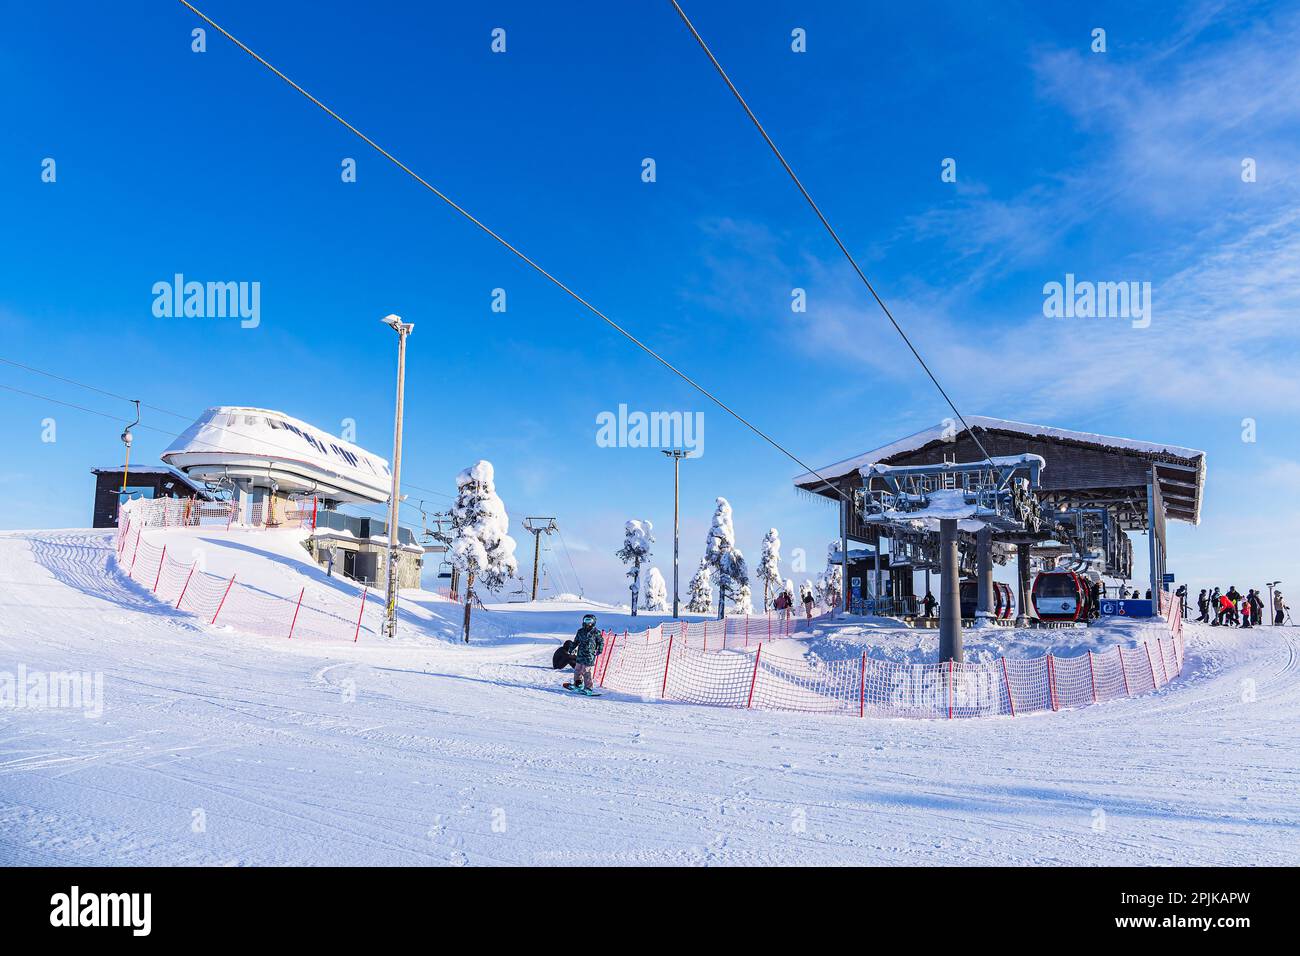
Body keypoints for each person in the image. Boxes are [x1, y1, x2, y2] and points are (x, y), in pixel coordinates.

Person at [570, 614, 604, 694]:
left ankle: (588, 688)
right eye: (586, 620)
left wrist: (599, 649)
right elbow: (576, 641)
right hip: (580, 654)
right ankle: (578, 684)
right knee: (577, 670)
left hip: (589, 655)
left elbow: (601, 642)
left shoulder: (596, 632)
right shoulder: (580, 631)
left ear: (593, 622)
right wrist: (571, 648)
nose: (588, 623)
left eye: (590, 621)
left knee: (586, 671)